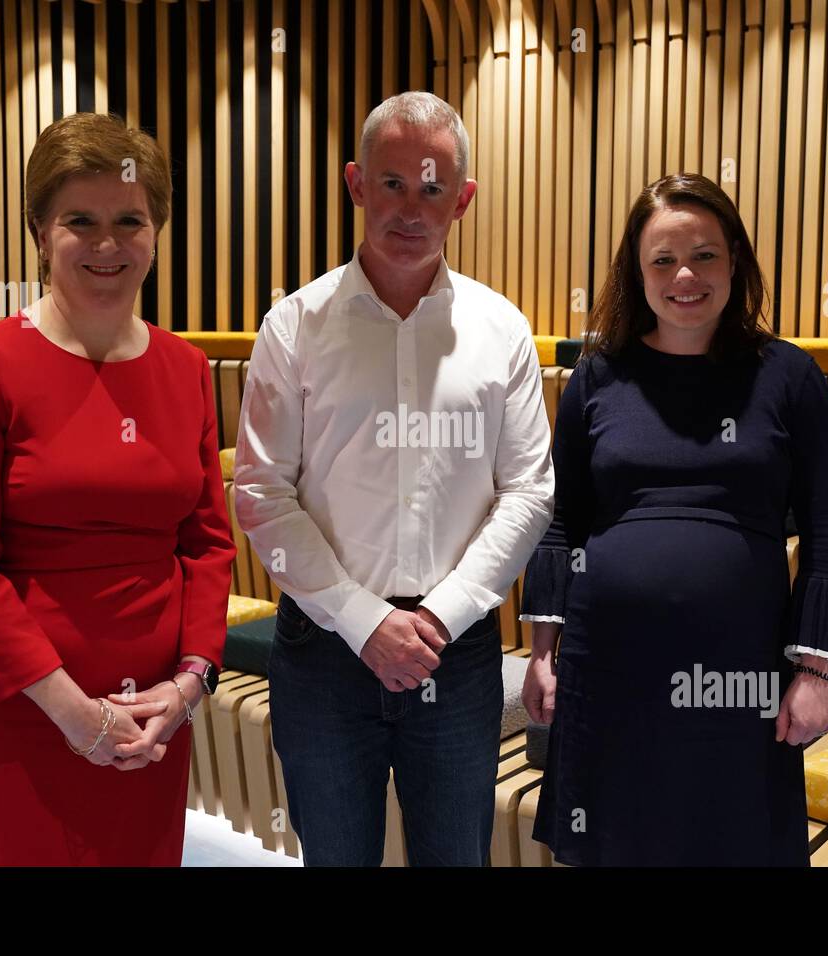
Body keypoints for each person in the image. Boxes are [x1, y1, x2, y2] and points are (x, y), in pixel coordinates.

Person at [233, 91, 554, 866]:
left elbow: (531, 491)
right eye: (392, 183)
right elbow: (261, 492)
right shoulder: (294, 327)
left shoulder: (501, 330)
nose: (412, 207)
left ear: (464, 200)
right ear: (354, 184)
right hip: (323, 651)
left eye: (434, 186)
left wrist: (437, 618)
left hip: (458, 650)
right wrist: (362, 619)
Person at [519, 172, 828, 866]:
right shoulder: (598, 375)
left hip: (739, 675)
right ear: (636, 271)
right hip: (608, 667)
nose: (685, 275)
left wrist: (819, 673)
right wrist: (543, 651)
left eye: (705, 255)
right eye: (663, 259)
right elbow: (563, 521)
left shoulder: (790, 377)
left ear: (735, 260)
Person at [0, 112, 236, 865]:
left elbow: (208, 544)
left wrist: (189, 686)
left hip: (150, 721)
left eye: (129, 220)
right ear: (39, 231)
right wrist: (72, 713)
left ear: (157, 231)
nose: (107, 244)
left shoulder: (186, 368)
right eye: (81, 220)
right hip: (23, 709)